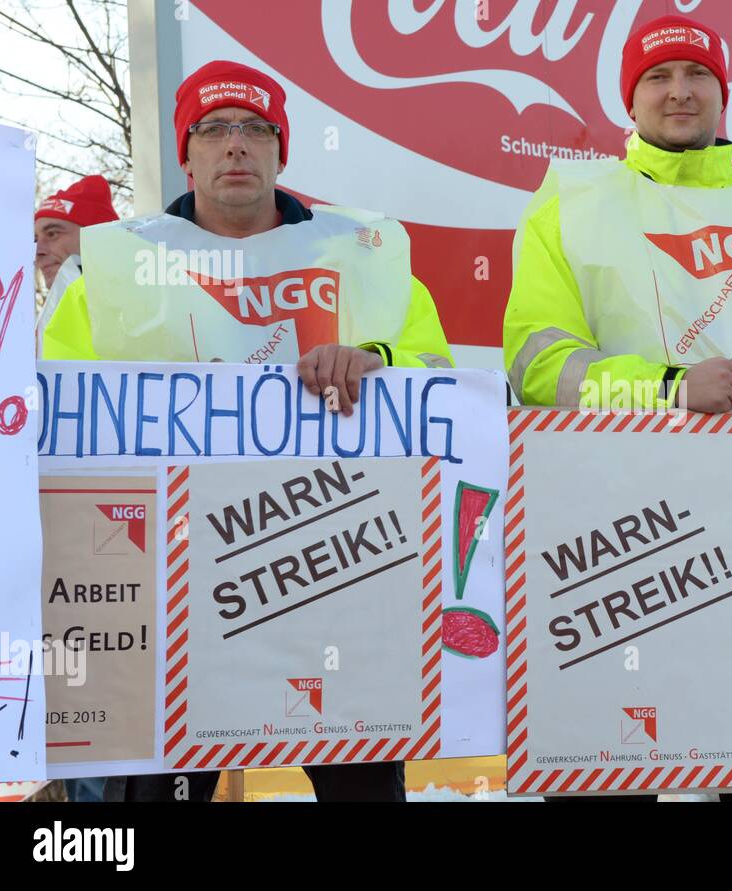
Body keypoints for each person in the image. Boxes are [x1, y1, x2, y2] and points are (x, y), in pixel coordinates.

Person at [43, 60, 453, 802]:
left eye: (256, 128)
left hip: (332, 575)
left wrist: (376, 358)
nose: (236, 144)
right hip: (168, 593)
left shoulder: (362, 256)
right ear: (187, 151)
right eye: (215, 128)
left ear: (280, 149)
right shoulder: (112, 263)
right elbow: (57, 407)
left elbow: (438, 381)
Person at [504, 13, 732, 801]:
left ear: (722, 91)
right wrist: (671, 388)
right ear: (629, 100)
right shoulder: (570, 199)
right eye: (658, 78)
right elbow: (539, 363)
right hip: (614, 536)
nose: (679, 91)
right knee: (609, 760)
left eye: (697, 75)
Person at [34, 174, 119, 355]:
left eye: (52, 234)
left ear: (97, 236)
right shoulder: (39, 315)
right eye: (35, 239)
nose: (37, 251)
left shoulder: (138, 305)